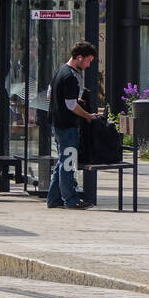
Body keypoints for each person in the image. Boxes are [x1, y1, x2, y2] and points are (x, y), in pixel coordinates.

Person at [46, 41, 97, 210]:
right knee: (68, 161)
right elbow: (70, 106)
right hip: (67, 125)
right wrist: (87, 115)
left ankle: (53, 199)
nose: (88, 65)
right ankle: (71, 199)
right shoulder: (70, 76)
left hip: (57, 122)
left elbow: (49, 95)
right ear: (79, 58)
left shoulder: (60, 71)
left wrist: (73, 100)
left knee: (62, 161)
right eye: (88, 61)